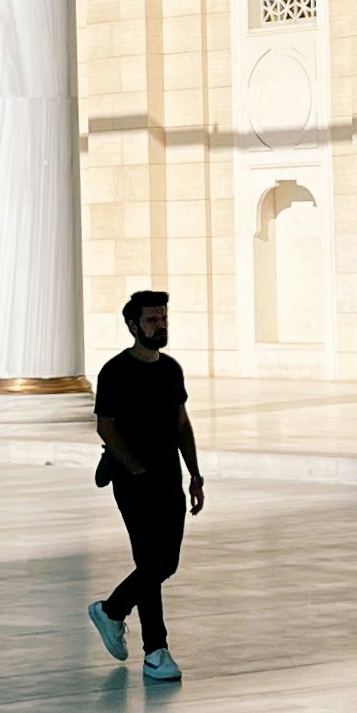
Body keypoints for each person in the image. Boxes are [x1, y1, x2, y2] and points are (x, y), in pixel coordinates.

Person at [88, 287, 203, 687]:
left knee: (164, 563)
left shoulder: (171, 369)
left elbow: (181, 423)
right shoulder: (115, 372)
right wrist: (135, 470)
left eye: (164, 318)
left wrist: (195, 473)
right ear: (133, 325)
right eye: (152, 320)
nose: (160, 325)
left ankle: (112, 610)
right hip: (133, 481)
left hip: (170, 477)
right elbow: (106, 426)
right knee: (151, 562)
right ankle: (156, 651)